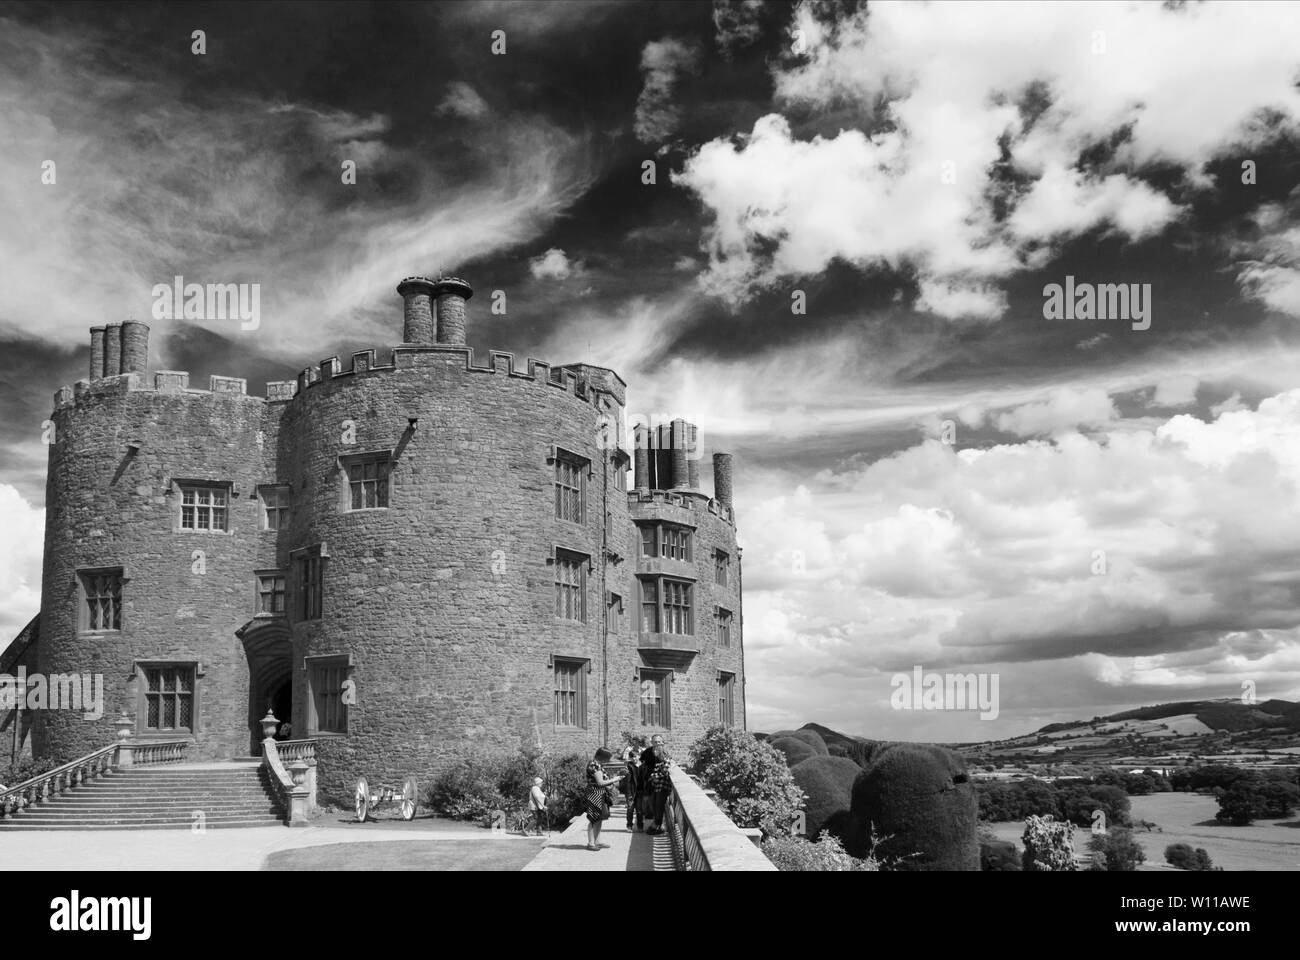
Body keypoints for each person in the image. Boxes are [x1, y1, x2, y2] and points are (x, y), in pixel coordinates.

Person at [584, 747, 620, 851]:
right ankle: (591, 843)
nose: (609, 760)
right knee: (594, 818)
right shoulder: (594, 765)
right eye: (608, 758)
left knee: (599, 818)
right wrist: (614, 779)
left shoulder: (597, 764)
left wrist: (611, 781)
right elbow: (600, 782)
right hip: (595, 794)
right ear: (602, 757)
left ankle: (597, 841)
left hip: (599, 793)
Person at [641, 734, 671, 834]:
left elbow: (665, 771)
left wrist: (653, 776)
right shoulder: (650, 753)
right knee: (653, 805)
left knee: (659, 806)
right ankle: (657, 824)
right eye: (655, 742)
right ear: (652, 743)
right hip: (653, 785)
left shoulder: (665, 755)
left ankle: (657, 825)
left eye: (659, 742)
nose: (657, 745)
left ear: (663, 743)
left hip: (662, 785)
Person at [620, 745, 646, 831]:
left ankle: (640, 826)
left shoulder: (643, 766)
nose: (634, 759)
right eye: (632, 757)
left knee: (639, 810)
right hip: (630, 791)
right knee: (630, 809)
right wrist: (628, 793)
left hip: (640, 791)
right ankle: (629, 825)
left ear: (639, 756)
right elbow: (626, 778)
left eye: (635, 757)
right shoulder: (629, 766)